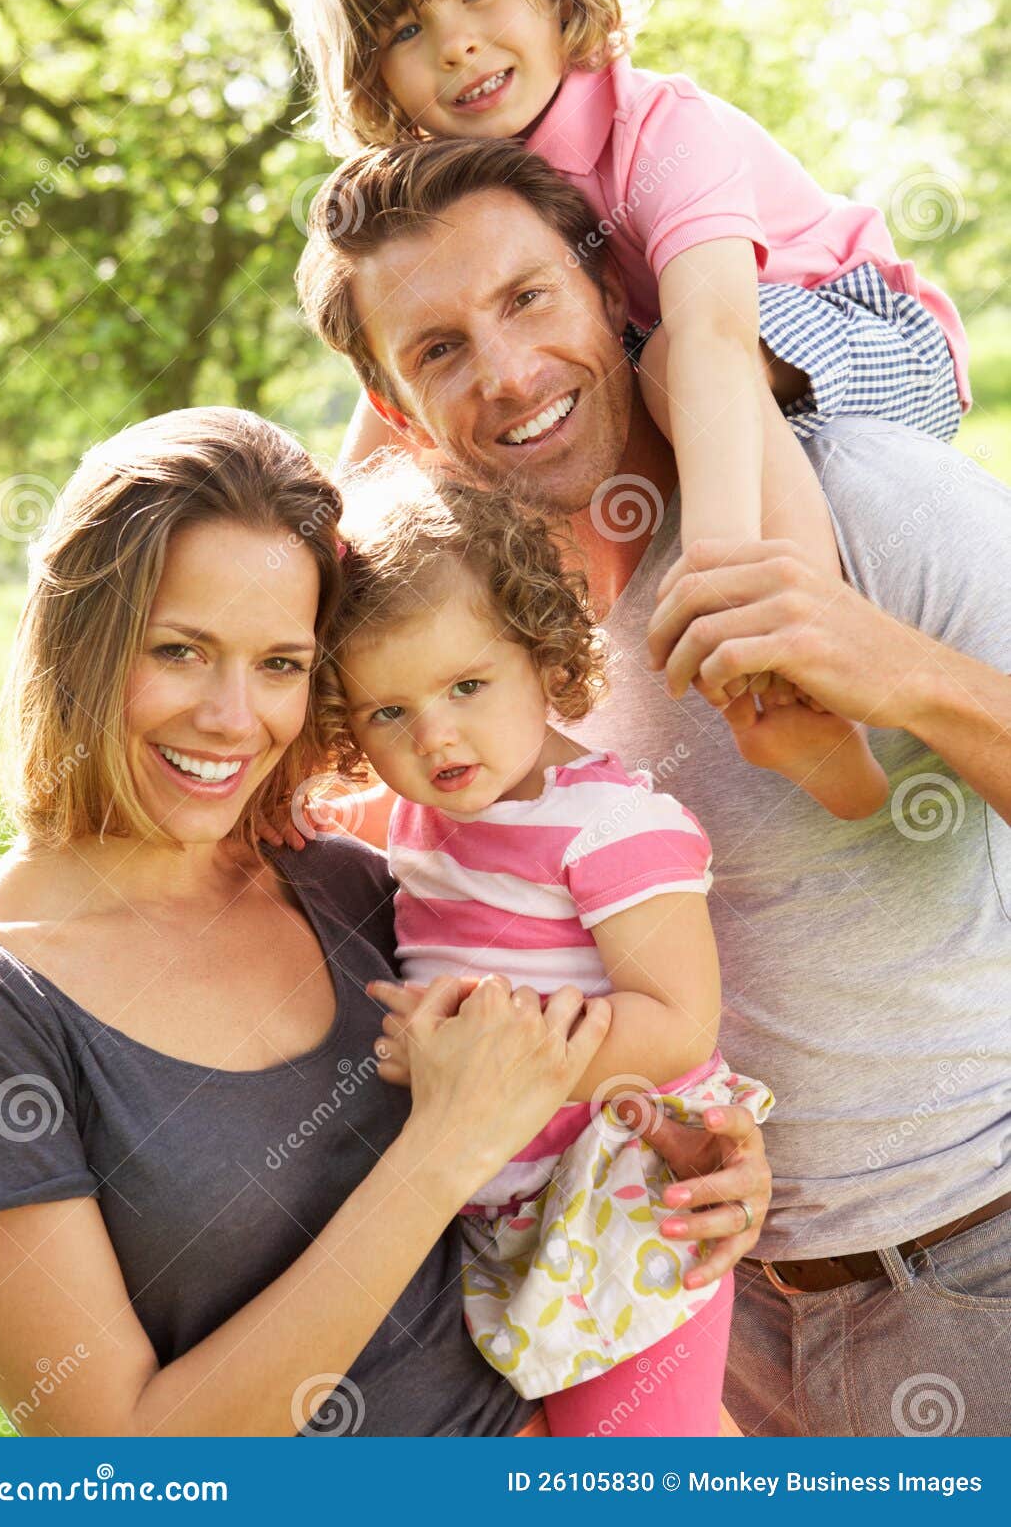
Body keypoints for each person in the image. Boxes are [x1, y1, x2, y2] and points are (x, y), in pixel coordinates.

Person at [295, 136, 1011, 1437]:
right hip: (701, 1297)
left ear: (607, 292)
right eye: (439, 348)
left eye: (526, 298)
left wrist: (900, 674)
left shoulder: (858, 500)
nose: (508, 372)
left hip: (970, 1265)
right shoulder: (462, 651)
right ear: (394, 409)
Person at [0, 406, 769, 1438]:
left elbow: (586, 1034)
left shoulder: (339, 880)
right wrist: (442, 1147)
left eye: (281, 663)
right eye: (181, 649)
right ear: (81, 641)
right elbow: (114, 1464)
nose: (234, 717)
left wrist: (691, 1145)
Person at [295, 0, 975, 820]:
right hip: (708, 358)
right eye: (408, 27)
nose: (455, 43)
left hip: (871, 339)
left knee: (659, 361)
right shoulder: (477, 201)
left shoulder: (660, 127)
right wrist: (316, 550)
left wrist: (717, 561)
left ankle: (780, 652)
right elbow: (397, 419)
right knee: (476, 430)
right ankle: (805, 765)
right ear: (378, 77)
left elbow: (705, 336)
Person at [318, 459, 773, 1435]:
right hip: (512, 1218)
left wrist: (477, 1056)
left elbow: (673, 1025)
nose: (435, 736)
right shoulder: (429, 810)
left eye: (467, 684)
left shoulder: (608, 824)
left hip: (624, 1206)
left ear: (542, 655)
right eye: (386, 712)